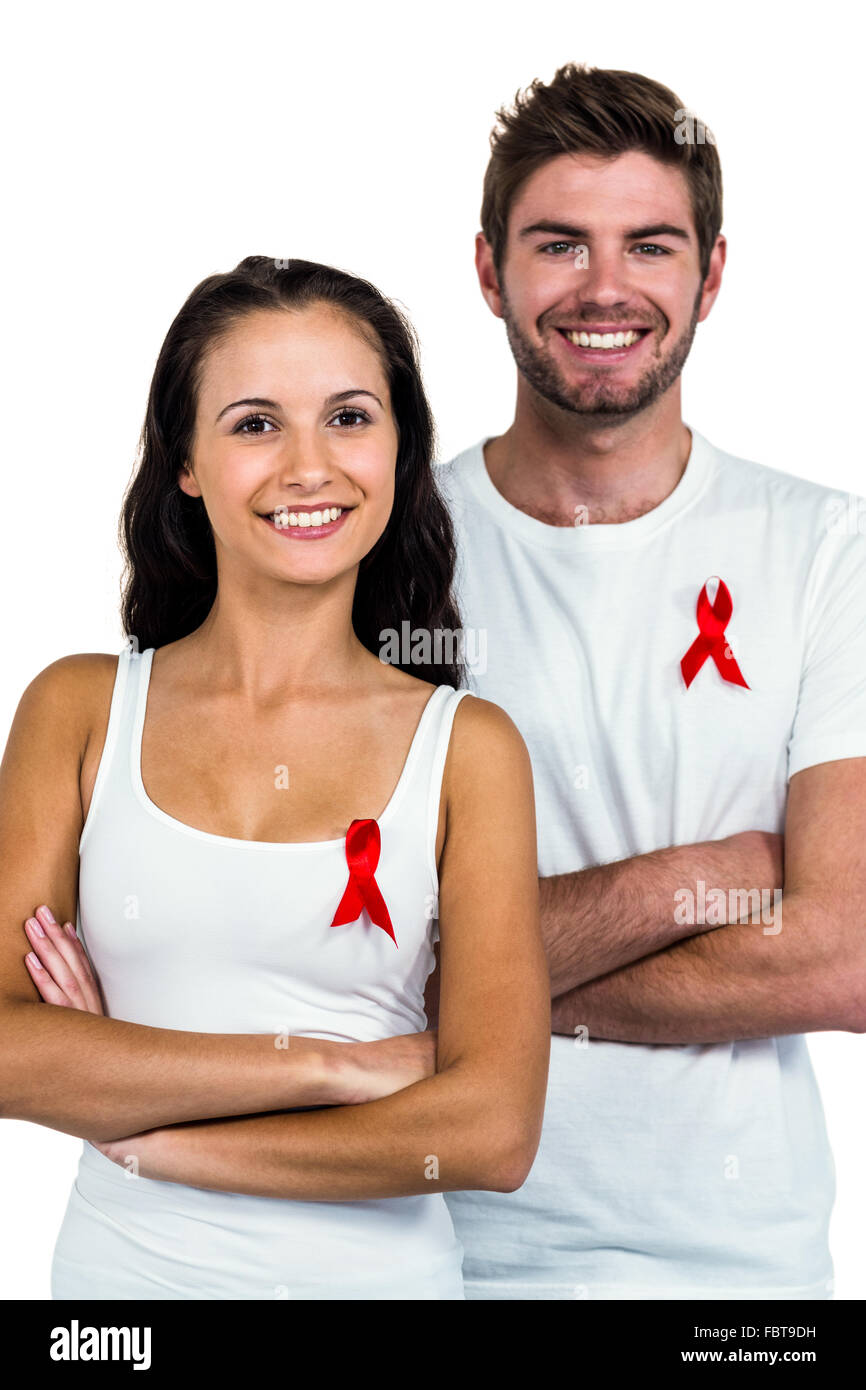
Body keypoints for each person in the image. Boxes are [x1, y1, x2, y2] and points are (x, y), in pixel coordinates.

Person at [0, 256, 550, 1301]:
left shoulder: (467, 748)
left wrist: (149, 1128)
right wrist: (329, 1064)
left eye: (348, 418)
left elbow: (490, 1129)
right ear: (186, 464)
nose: (309, 466)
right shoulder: (76, 710)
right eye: (255, 424)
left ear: (399, 451)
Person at [430, 63, 866, 1300]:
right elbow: (350, 955)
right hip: (427, 1254)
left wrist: (487, 986)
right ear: (487, 270)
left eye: (649, 246)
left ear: (710, 275)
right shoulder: (386, 553)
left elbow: (841, 954)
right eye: (558, 244)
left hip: (734, 1282)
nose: (603, 288)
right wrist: (700, 881)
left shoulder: (829, 550)